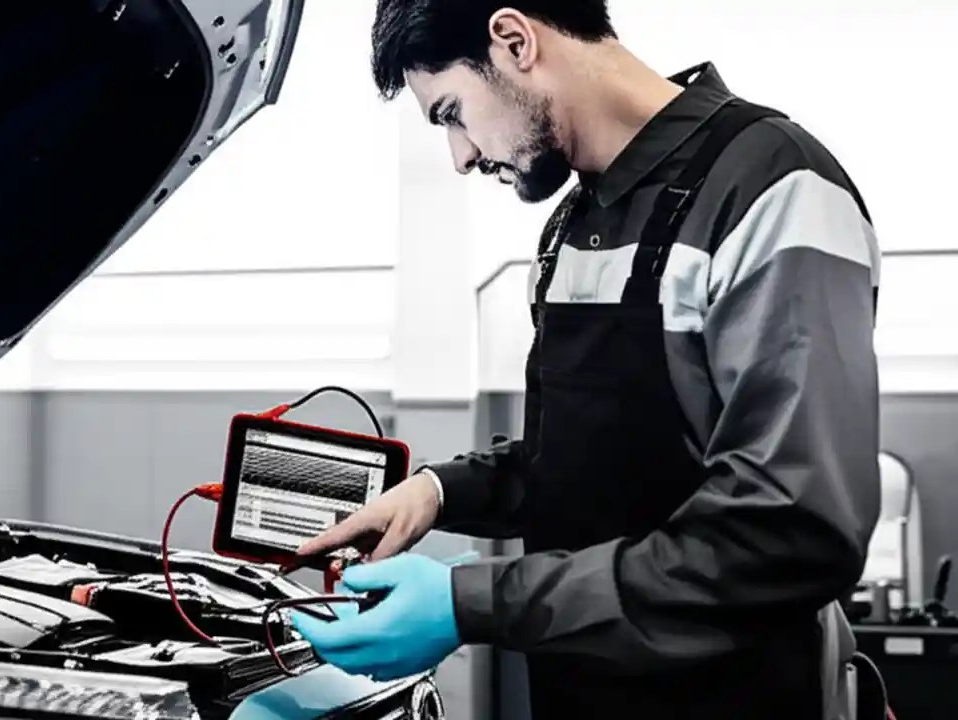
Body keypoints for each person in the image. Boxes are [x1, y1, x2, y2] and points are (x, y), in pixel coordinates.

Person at [291, 2, 882, 718]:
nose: (461, 155)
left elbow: (787, 534)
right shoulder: (572, 226)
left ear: (513, 40)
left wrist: (465, 603)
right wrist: (436, 494)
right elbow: (577, 467)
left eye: (451, 113)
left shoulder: (774, 191)